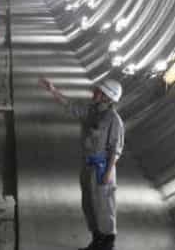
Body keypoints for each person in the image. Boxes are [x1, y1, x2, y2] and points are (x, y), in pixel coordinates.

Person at [40, 75, 125, 250]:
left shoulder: (113, 120)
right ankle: (96, 241)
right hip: (88, 165)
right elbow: (71, 106)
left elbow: (116, 149)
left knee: (104, 206)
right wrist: (53, 91)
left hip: (102, 167)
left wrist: (108, 173)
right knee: (89, 204)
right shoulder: (92, 112)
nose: (94, 92)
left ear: (108, 97)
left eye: (99, 91)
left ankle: (108, 243)